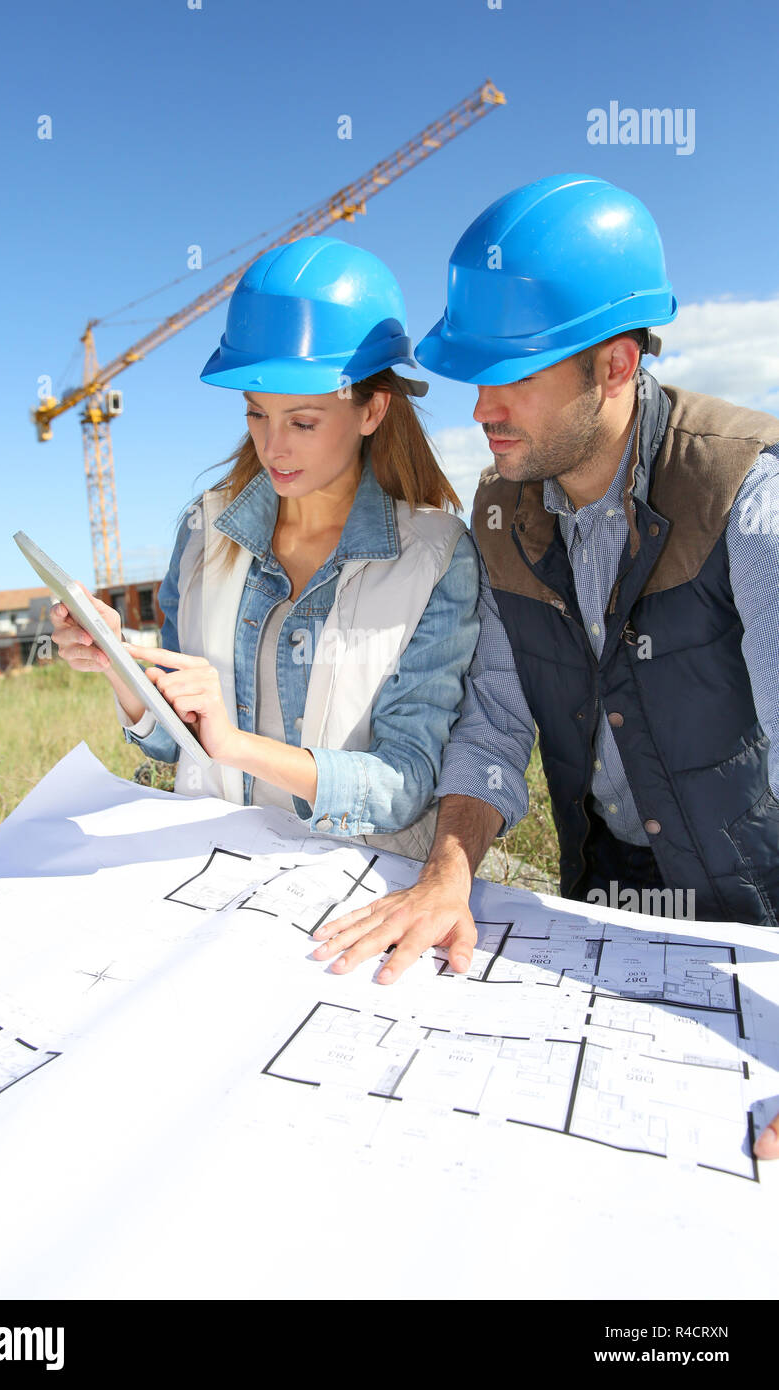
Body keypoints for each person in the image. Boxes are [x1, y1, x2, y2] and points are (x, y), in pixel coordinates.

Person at [308, 175, 779, 1160]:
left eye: (512, 374)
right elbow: (491, 721)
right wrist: (446, 875)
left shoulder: (745, 492)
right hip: (604, 900)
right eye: (474, 376)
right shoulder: (501, 514)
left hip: (756, 916)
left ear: (615, 364)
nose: (482, 409)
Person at [51, 235, 480, 861]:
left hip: (354, 887)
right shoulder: (204, 532)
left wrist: (238, 746)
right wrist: (120, 666)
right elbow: (172, 744)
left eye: (302, 422)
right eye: (256, 415)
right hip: (207, 875)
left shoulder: (437, 557)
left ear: (371, 411)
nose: (273, 447)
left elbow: (405, 785)